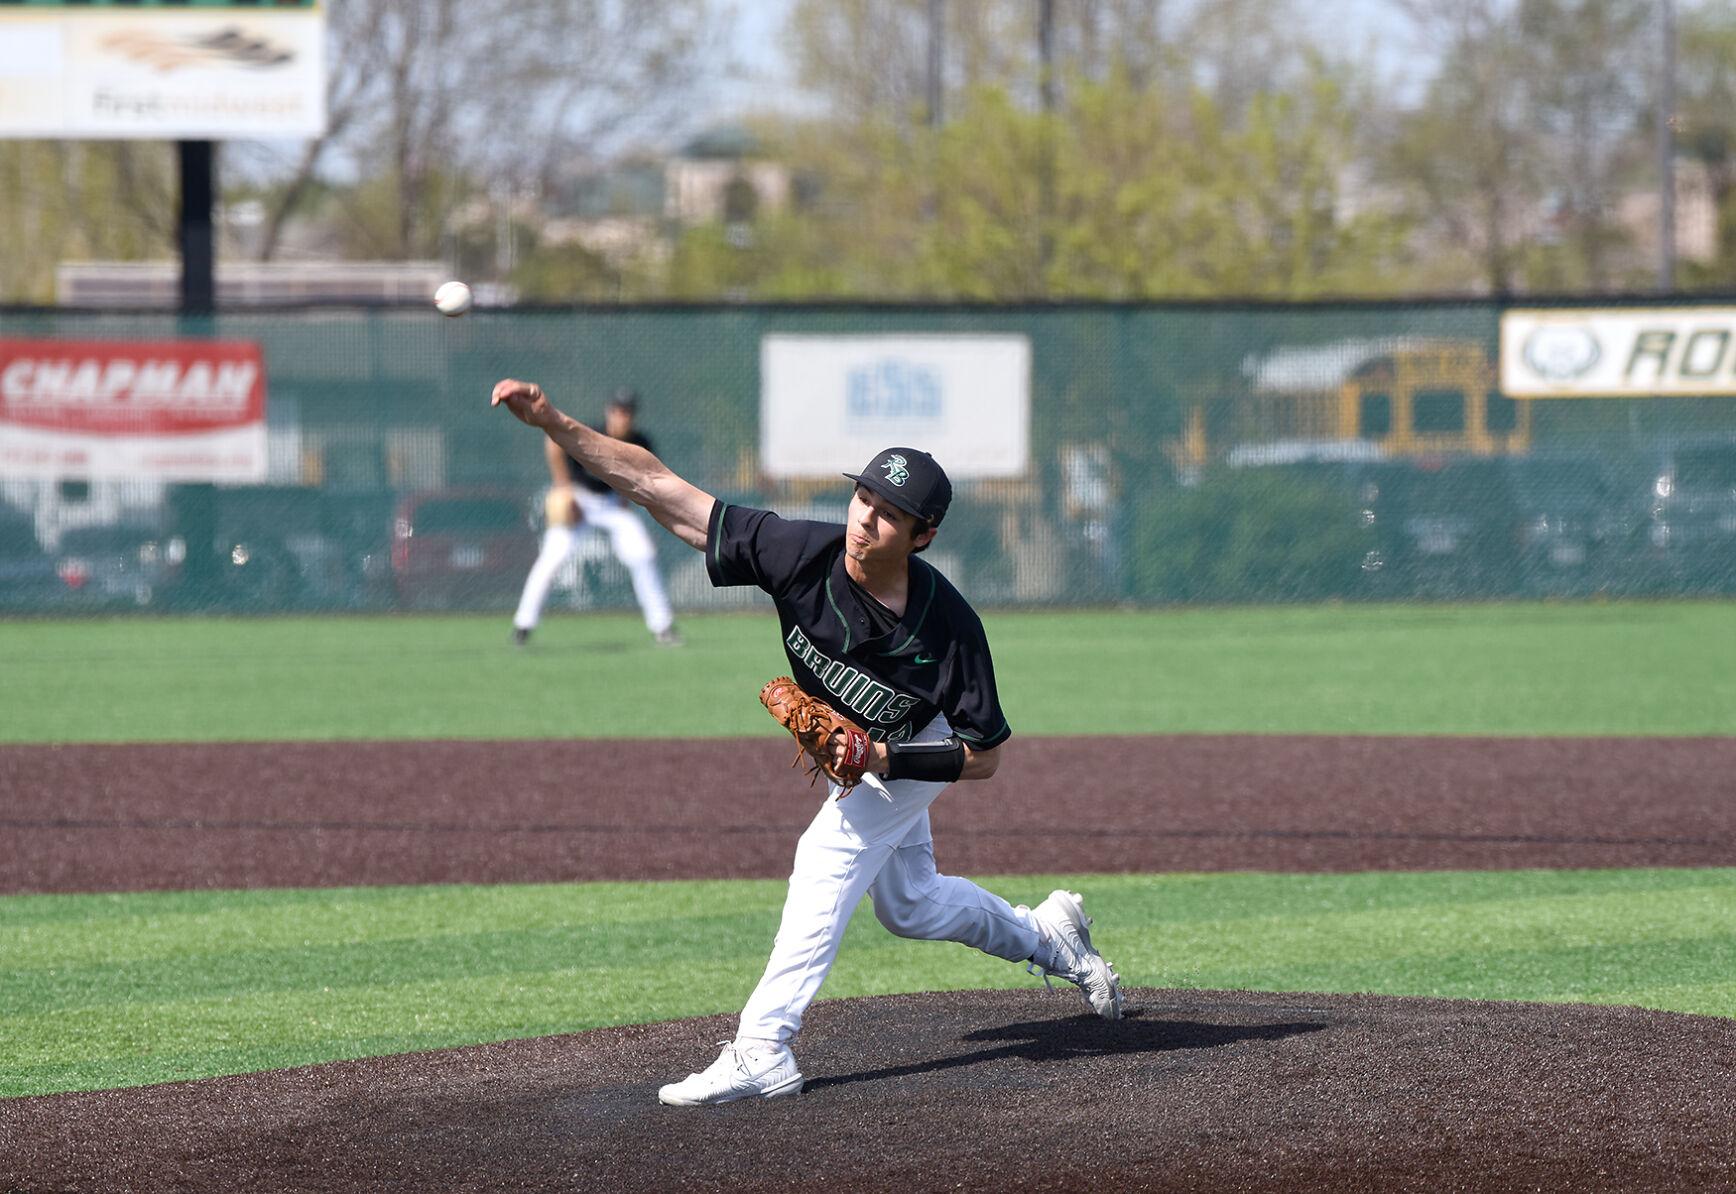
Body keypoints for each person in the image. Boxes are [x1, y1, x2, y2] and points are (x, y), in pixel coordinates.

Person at [491, 377, 1124, 1106]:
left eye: (889, 516)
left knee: (826, 855)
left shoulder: (949, 628)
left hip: (914, 746)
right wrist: (555, 422)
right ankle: (1048, 937)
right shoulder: (798, 552)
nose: (865, 522)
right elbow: (659, 488)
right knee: (910, 905)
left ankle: (763, 1047)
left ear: (923, 536)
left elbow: (985, 755)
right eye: (863, 499)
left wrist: (884, 758)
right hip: (858, 752)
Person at [511, 387, 681, 647]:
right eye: (618, 410)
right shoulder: (592, 432)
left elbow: (646, 476)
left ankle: (663, 626)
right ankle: (523, 625)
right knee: (553, 557)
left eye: (627, 412)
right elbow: (553, 443)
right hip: (579, 499)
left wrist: (627, 496)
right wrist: (564, 490)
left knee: (643, 554)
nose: (622, 416)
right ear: (609, 411)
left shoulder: (640, 441)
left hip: (611, 504)